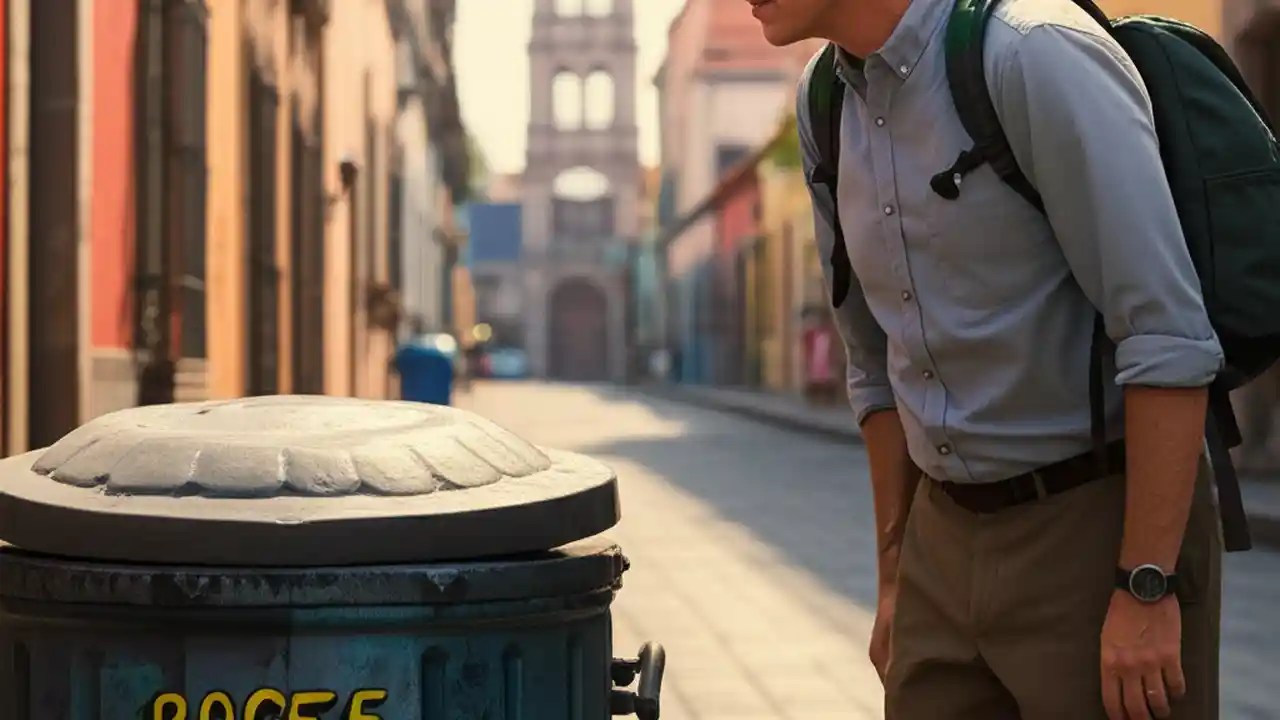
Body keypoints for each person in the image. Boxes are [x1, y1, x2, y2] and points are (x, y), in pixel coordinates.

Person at [748, 0, 1225, 718]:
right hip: (939, 539)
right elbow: (874, 367)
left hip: (1093, 526)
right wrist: (894, 579)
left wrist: (1146, 585)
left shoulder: (1035, 54)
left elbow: (1167, 336)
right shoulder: (825, 102)